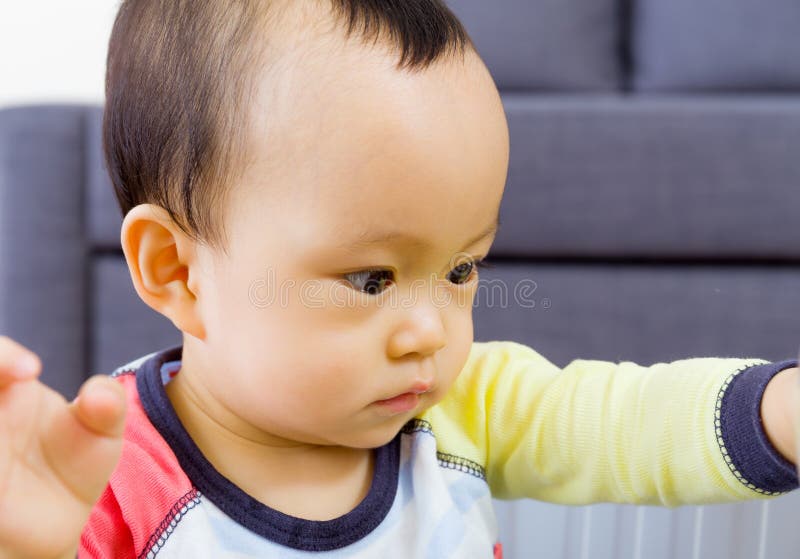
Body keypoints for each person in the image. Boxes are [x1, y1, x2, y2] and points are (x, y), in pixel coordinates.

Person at [1, 1, 798, 557]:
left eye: (460, 269)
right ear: (179, 271)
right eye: (372, 278)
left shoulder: (463, 410)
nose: (432, 331)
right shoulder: (109, 477)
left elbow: (624, 419)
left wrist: (777, 410)